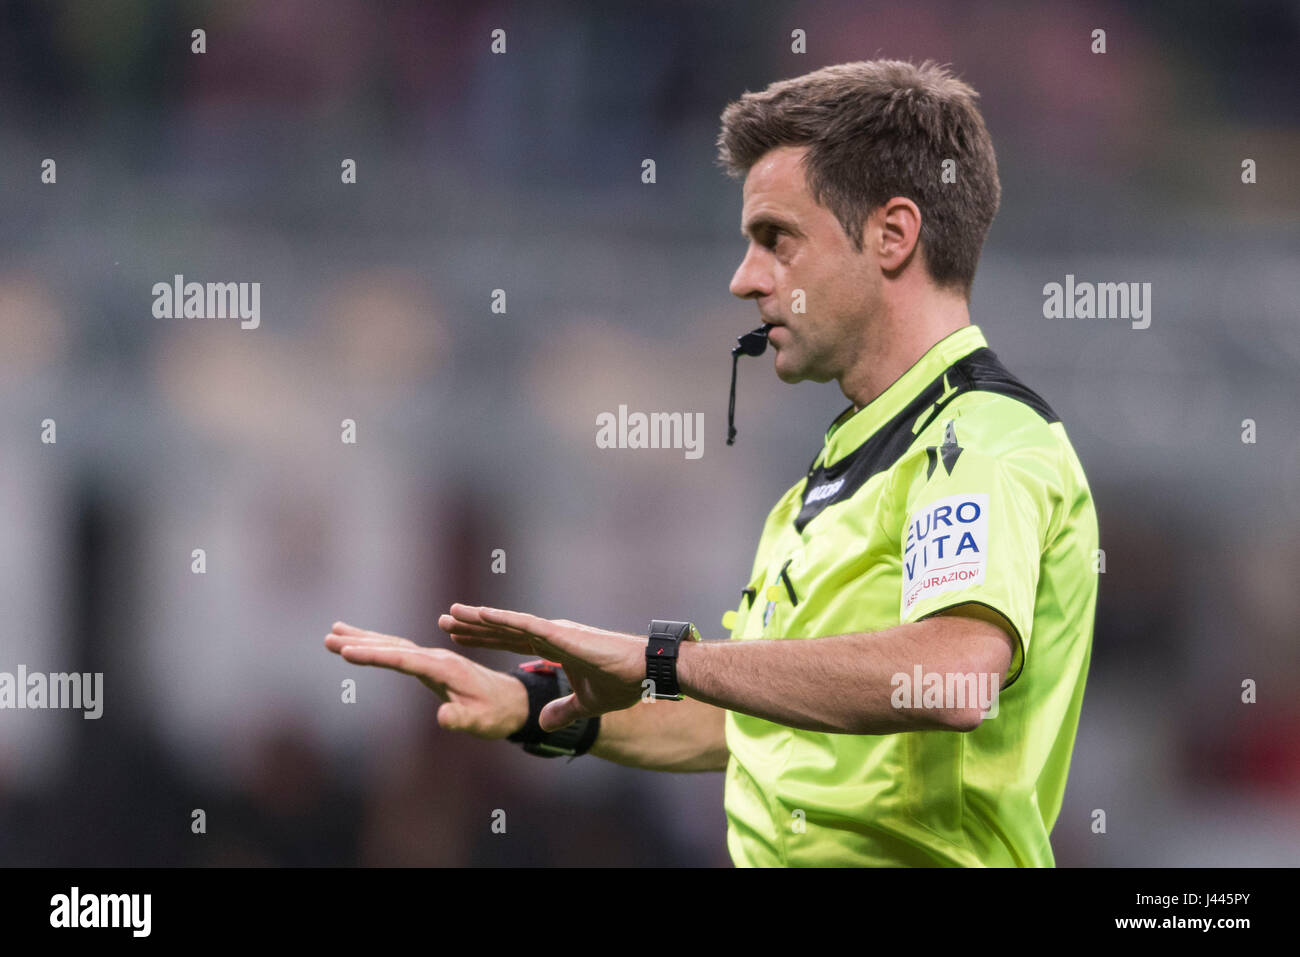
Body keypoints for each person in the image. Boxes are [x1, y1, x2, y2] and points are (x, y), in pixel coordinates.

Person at [324, 59, 1098, 867]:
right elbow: (742, 719)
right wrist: (532, 703)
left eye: (777, 240)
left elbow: (956, 676)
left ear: (892, 235)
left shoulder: (978, 436)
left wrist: (666, 658)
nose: (745, 278)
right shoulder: (833, 474)